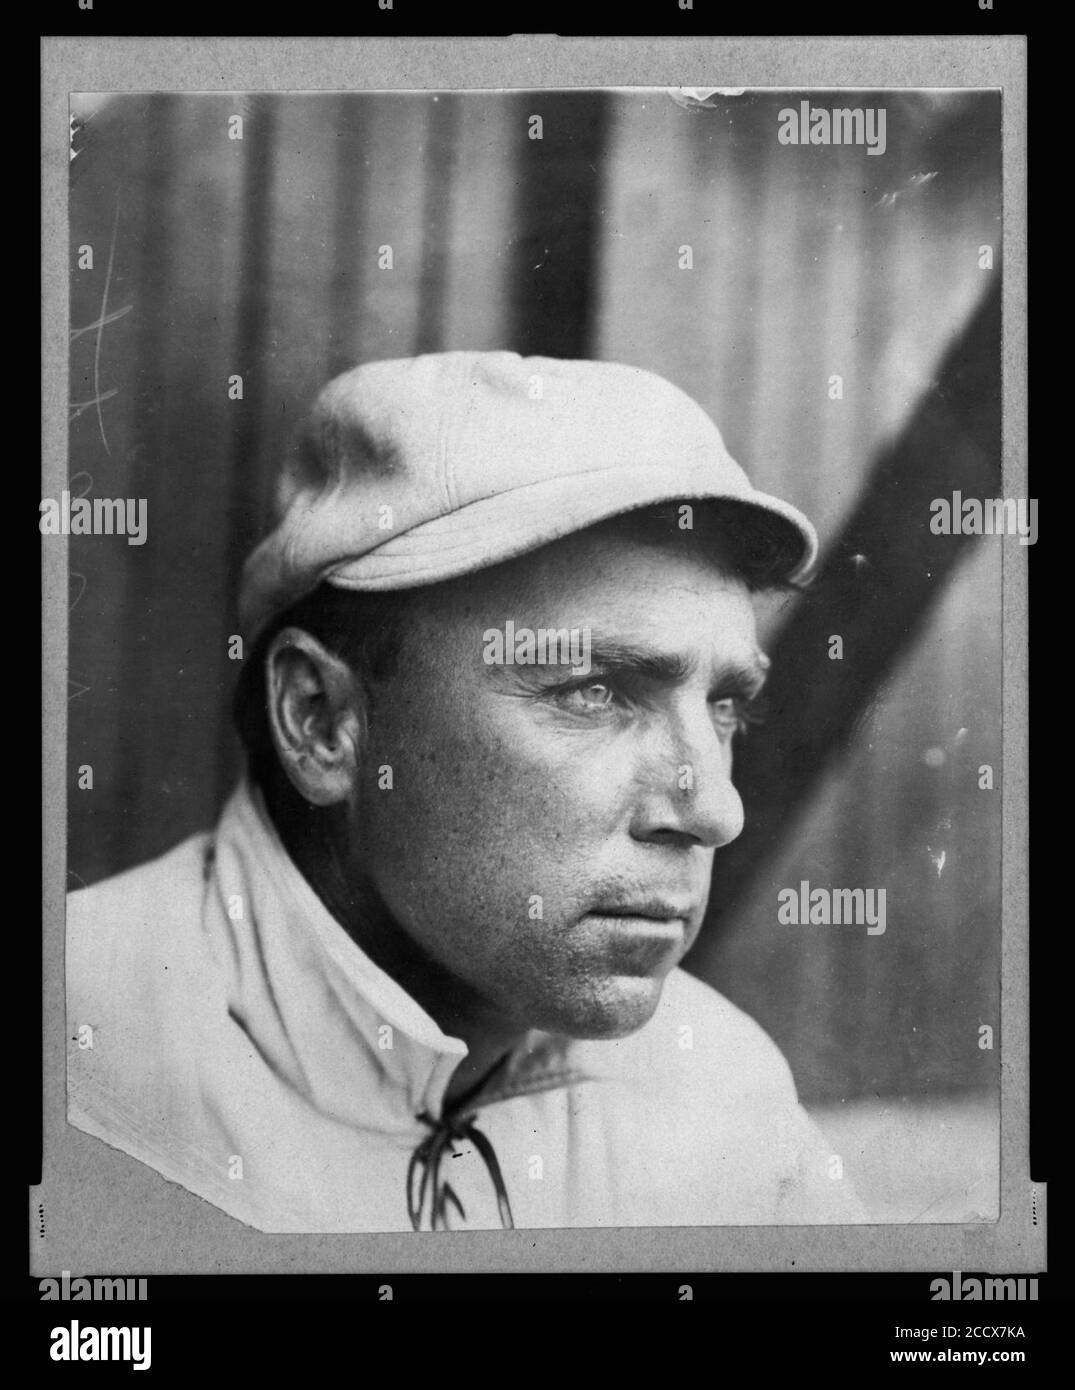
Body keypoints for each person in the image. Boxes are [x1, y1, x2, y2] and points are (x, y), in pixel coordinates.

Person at [67, 350, 866, 1232]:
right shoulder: (77, 1057)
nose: (715, 810)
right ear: (322, 720)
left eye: (724, 707)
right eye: (592, 691)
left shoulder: (721, 1100)